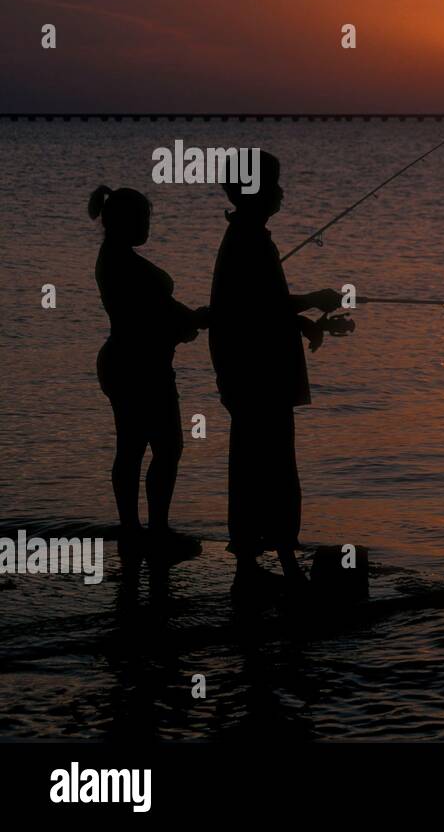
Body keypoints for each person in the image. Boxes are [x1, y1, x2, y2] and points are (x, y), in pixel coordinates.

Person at [208, 151, 349, 603]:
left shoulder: (246, 237)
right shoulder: (249, 240)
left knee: (254, 465)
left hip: (248, 371)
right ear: (256, 191)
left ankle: (252, 565)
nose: (282, 191)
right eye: (275, 184)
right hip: (258, 375)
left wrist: (306, 321)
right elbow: (263, 305)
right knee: (274, 468)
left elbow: (257, 306)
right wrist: (313, 299)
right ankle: (283, 564)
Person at [91, 185, 208, 561]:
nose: (148, 225)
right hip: (138, 367)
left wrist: (186, 321)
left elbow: (159, 309)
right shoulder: (120, 262)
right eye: (143, 218)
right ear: (125, 221)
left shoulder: (117, 257)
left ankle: (139, 532)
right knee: (161, 448)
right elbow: (149, 313)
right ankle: (149, 532)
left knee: (138, 448)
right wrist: (189, 322)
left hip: (136, 362)